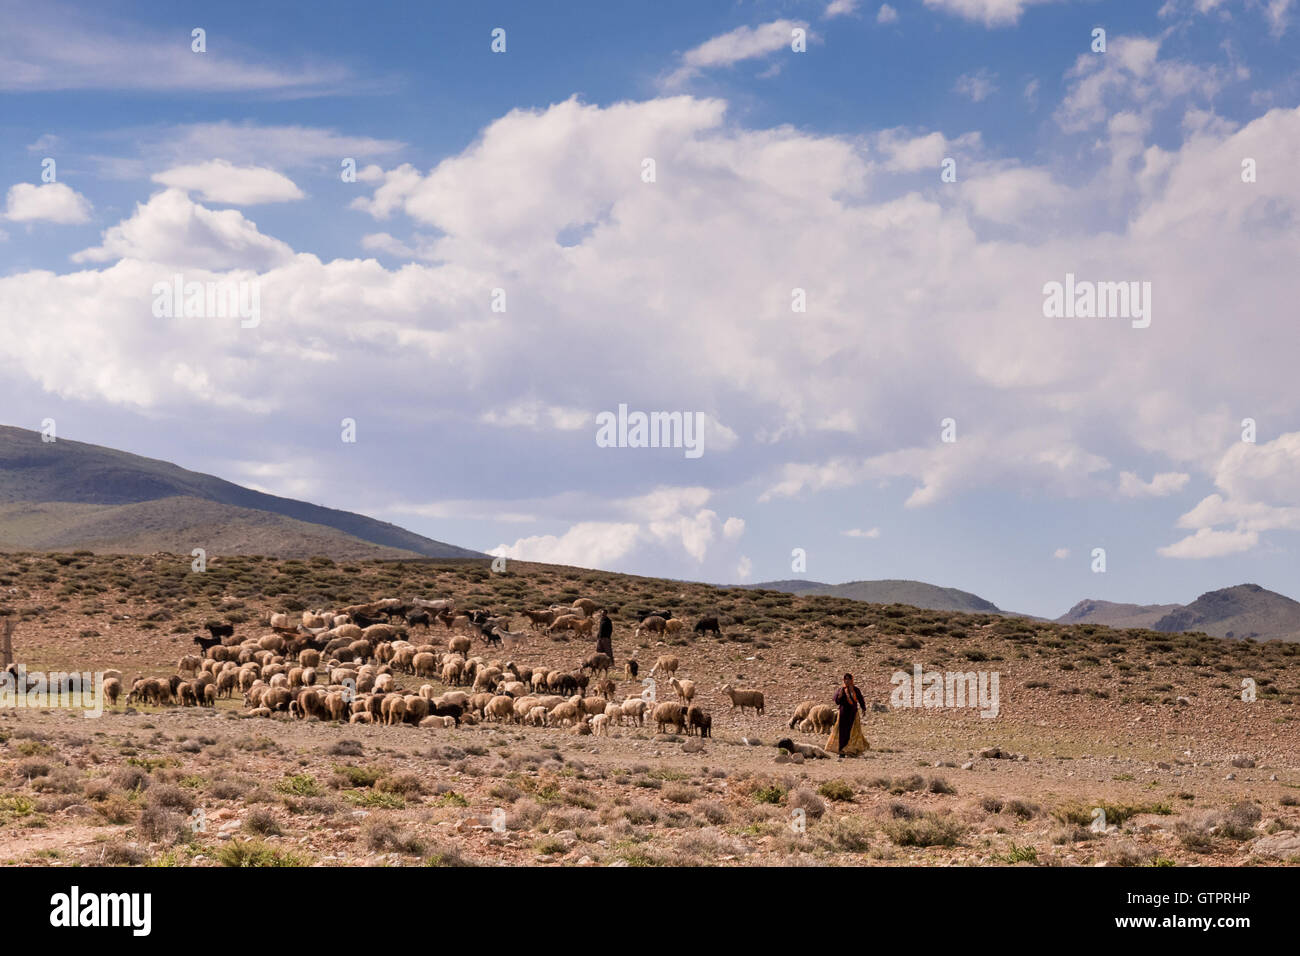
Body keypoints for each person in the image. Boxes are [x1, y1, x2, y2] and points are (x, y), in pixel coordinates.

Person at [826, 672, 868, 758]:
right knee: (842, 732)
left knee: (852, 732)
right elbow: (837, 702)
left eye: (849, 679)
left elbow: (860, 699)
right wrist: (840, 696)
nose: (847, 681)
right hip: (843, 714)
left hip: (853, 714)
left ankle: (851, 750)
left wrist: (863, 708)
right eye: (845, 679)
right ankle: (841, 751)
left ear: (851, 680)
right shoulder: (841, 690)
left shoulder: (856, 690)